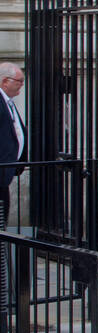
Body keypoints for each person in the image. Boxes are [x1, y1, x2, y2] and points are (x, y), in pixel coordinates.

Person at [0, 62, 26, 224]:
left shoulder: (7, 101)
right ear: (4, 81)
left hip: (5, 172)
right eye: (19, 81)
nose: (22, 85)